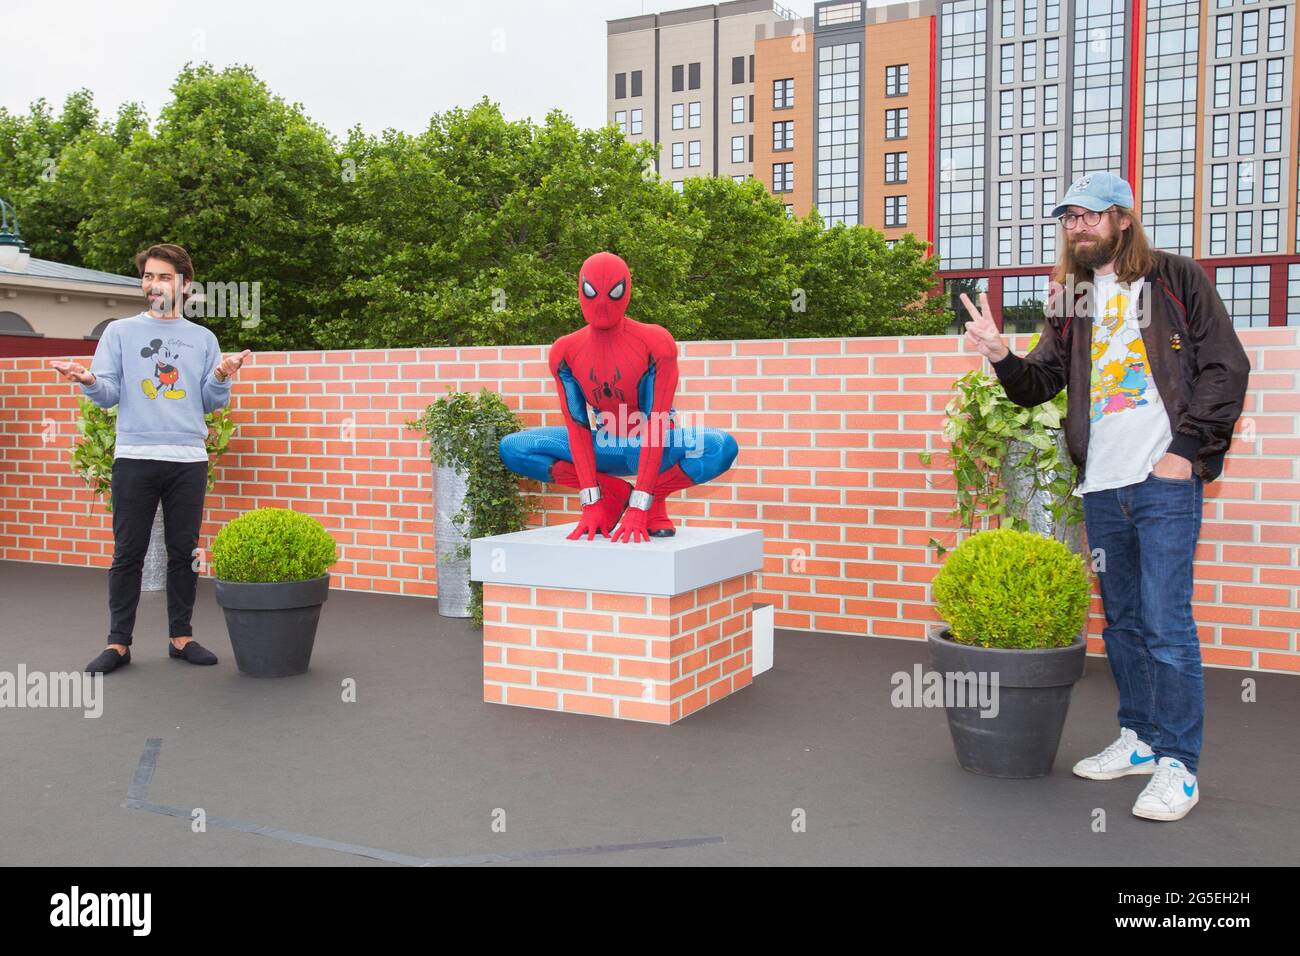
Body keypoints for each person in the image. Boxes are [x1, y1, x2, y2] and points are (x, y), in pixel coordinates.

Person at [960, 172, 1250, 821]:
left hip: (1162, 482)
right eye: (1068, 219)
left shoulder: (1177, 280)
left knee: (1166, 623)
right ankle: (1142, 739)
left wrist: (1186, 451)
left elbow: (1227, 367)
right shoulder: (1073, 299)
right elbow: (1038, 384)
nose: (1076, 227)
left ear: (1122, 219)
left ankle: (1179, 762)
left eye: (1088, 216)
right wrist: (1003, 353)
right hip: (1101, 484)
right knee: (1121, 623)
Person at [51, 244, 251, 674]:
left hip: (187, 460)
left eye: (163, 276)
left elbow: (210, 403)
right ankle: (118, 643)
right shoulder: (119, 333)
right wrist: (87, 379)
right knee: (128, 553)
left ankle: (182, 637)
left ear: (184, 284)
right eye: (148, 276)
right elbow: (107, 392)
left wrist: (220, 375)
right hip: (135, 458)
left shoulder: (204, 339)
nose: (153, 284)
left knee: (184, 552)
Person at [498, 251, 738, 542]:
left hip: (656, 442)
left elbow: (657, 422)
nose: (601, 303)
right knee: (514, 448)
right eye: (591, 292)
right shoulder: (565, 351)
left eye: (613, 293)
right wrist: (592, 500)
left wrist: (640, 504)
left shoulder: (655, 342)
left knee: (720, 446)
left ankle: (652, 499)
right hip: (606, 442)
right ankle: (614, 491)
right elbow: (577, 426)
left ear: (626, 291)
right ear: (580, 291)